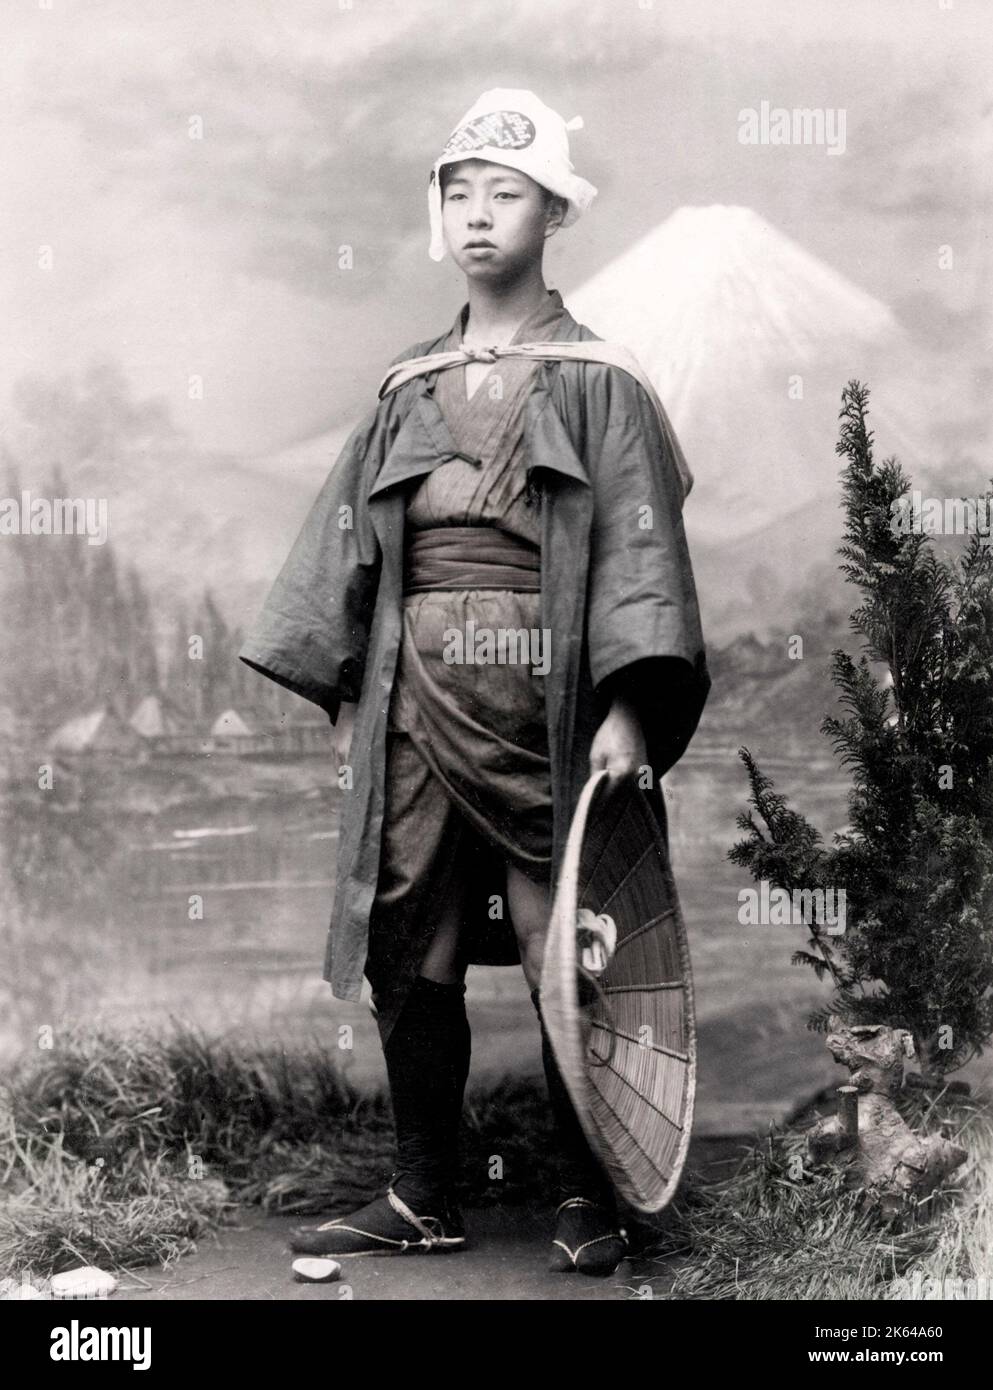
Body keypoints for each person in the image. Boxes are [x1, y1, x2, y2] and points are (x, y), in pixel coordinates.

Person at [239, 88, 710, 1277]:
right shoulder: (407, 384)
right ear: (439, 216)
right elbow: (349, 546)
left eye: (506, 193)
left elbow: (640, 547)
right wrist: (352, 694)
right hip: (412, 701)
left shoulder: (602, 379)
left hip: (547, 704)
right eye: (460, 193)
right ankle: (425, 1191)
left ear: (553, 212)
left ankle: (588, 1193)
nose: (479, 214)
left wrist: (629, 706)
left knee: (566, 939)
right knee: (410, 934)